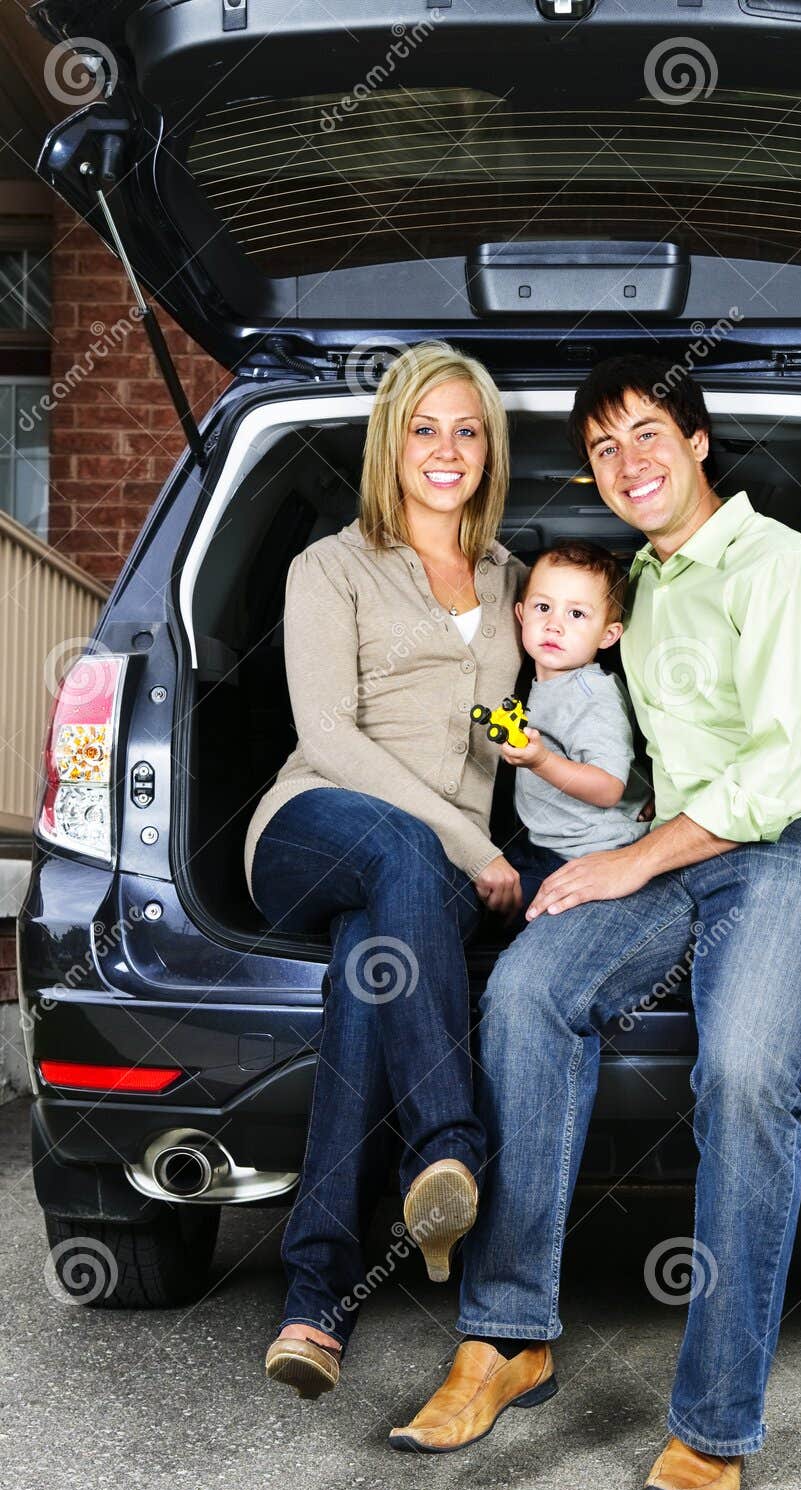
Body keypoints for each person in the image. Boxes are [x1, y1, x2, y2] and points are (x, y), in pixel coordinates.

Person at [390, 355, 801, 1490]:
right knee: (522, 993)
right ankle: (508, 1334)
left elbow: (786, 766)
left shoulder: (788, 570)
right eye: (604, 448)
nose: (629, 463)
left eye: (650, 433)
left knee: (746, 1069)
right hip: (672, 850)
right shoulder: (641, 591)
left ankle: (714, 1423)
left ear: (700, 441)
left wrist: (625, 858)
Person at [246, 340, 528, 1401]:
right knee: (399, 854)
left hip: (433, 868)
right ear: (391, 442)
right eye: (424, 427)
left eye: (466, 429)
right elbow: (328, 733)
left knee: (371, 960)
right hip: (313, 825)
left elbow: (507, 727)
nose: (446, 448)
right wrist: (470, 843)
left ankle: (315, 1302)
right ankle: (444, 1145)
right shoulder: (330, 566)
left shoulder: (510, 576)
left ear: (488, 448)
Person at [498, 539, 651, 909]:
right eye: (543, 607)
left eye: (577, 615)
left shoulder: (592, 696)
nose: (554, 625)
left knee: (514, 911)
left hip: (592, 853)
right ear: (521, 614)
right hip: (546, 840)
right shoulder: (543, 680)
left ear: (608, 635)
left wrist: (540, 761)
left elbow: (609, 788)